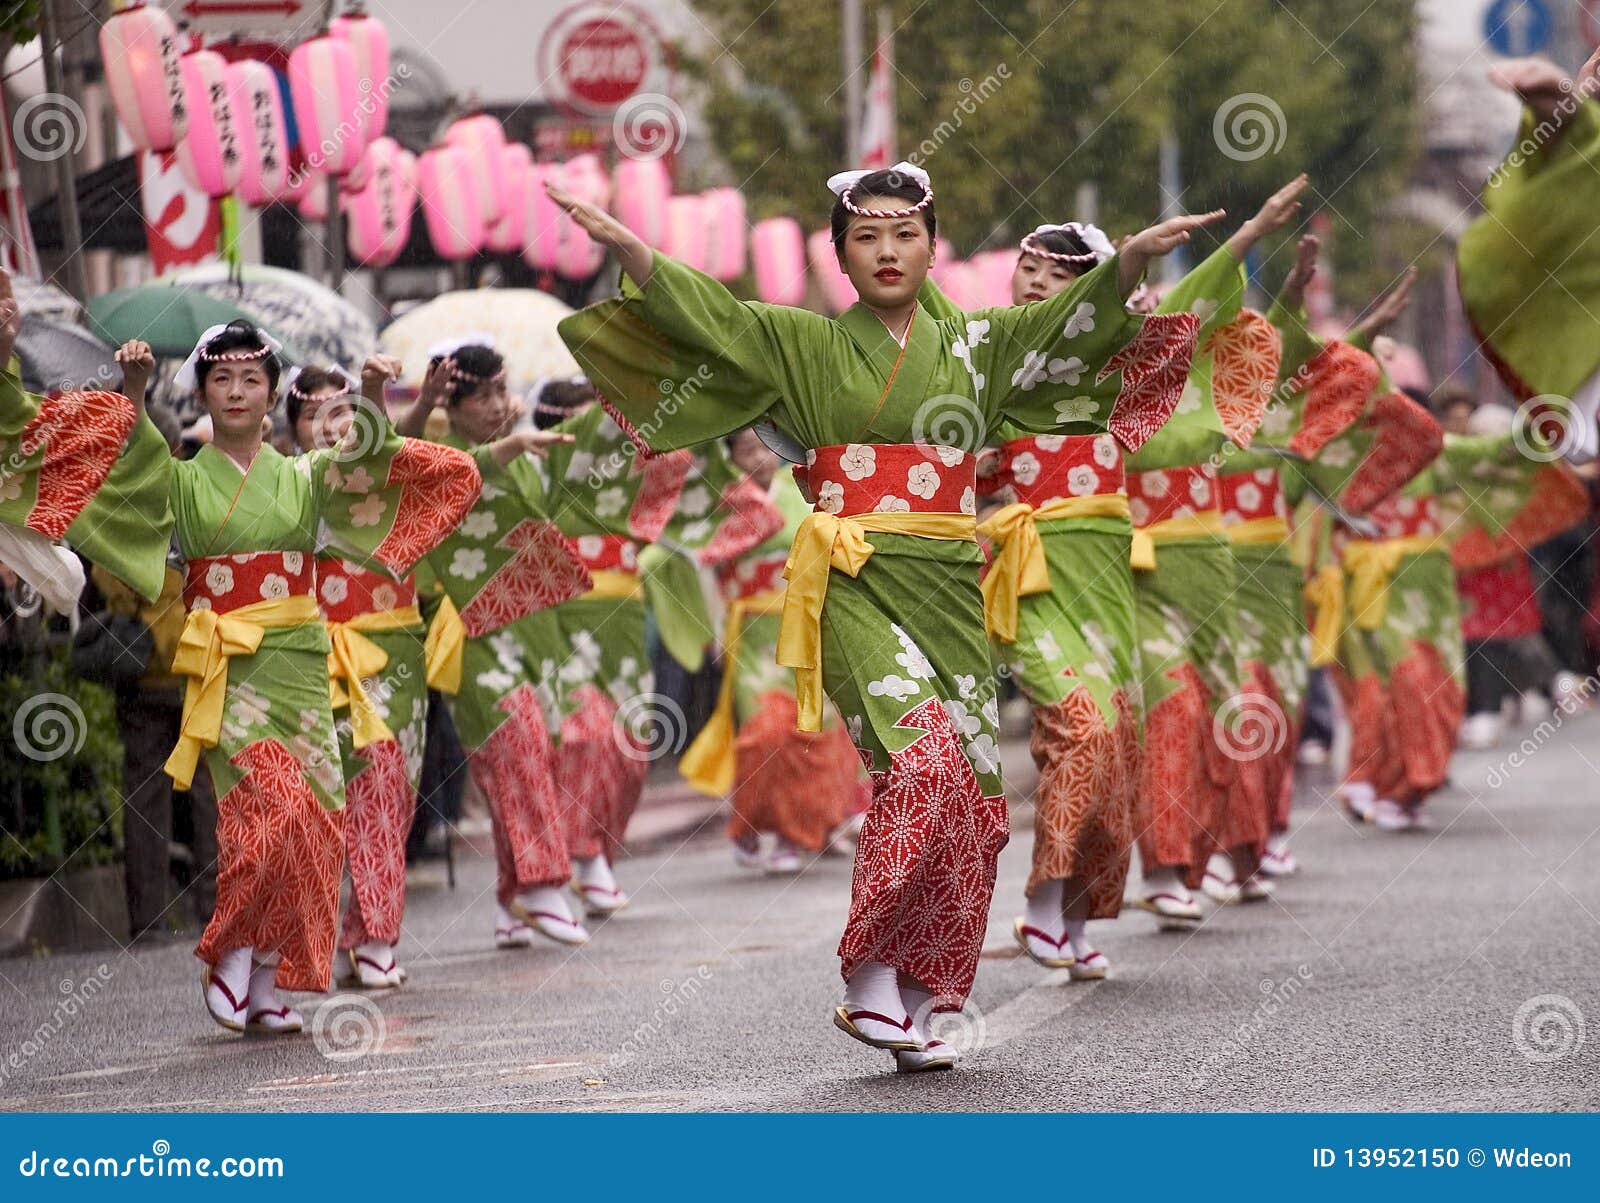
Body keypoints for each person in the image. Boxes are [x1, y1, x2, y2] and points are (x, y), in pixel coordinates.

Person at [548, 164, 1210, 1071]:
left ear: (933, 246)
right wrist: (632, 250)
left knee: (975, 800)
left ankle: (921, 985)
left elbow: (1066, 329)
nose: (888, 251)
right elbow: (716, 320)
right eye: (867, 236)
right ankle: (868, 976)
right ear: (840, 254)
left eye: (905, 234)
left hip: (948, 582)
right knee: (923, 763)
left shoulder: (980, 345)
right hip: (855, 577)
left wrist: (1127, 256)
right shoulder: (803, 344)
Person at [74, 319, 480, 1036]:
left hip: (300, 659)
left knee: (317, 823)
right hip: (229, 665)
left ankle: (267, 977)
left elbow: (370, 462)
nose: (236, 390)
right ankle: (231, 951)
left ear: (271, 398)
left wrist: (380, 393)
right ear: (201, 392)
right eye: (222, 378)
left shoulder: (305, 474)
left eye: (252, 379)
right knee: (268, 812)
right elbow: (127, 472)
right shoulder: (184, 475)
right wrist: (133, 392)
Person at [1118, 179, 1305, 922]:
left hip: (1212, 564)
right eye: (1124, 301)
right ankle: (1166, 865)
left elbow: (1202, 300)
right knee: (1172, 706)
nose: (1140, 311)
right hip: (1133, 564)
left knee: (1233, 708)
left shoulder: (1193, 372)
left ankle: (1236, 850)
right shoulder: (1083, 383)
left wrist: (1251, 237)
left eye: (1149, 305)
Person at [527, 380, 783, 915]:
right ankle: (571, 861)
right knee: (578, 735)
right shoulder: (536, 475)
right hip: (555, 620)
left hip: (621, 621)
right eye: (581, 426)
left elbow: (737, 512)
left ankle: (595, 853)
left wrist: (706, 428)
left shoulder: (633, 482)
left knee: (629, 746)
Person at [396, 339, 594, 949]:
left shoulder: (531, 456)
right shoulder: (436, 456)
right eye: (479, 395)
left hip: (528, 622)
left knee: (531, 753)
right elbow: (392, 456)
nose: (495, 405)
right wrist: (425, 400)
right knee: (516, 743)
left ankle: (513, 901)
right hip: (465, 626)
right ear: (451, 405)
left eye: (500, 392)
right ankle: (539, 883)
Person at [288, 364, 426, 988]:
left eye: (342, 410)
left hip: (394, 650)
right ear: (293, 431)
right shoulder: (294, 485)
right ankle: (354, 937)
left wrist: (377, 397)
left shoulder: (387, 472)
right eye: (314, 414)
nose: (331, 423)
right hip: (319, 651)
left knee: (392, 785)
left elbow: (393, 443)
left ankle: (367, 932)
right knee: (341, 790)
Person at [681, 428, 870, 873]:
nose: (760, 459)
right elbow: (692, 564)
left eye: (766, 449)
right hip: (753, 636)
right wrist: (708, 627)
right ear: (732, 459)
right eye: (747, 451)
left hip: (808, 626)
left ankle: (794, 836)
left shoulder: (801, 489)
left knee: (814, 733)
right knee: (767, 732)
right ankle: (749, 821)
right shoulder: (722, 501)